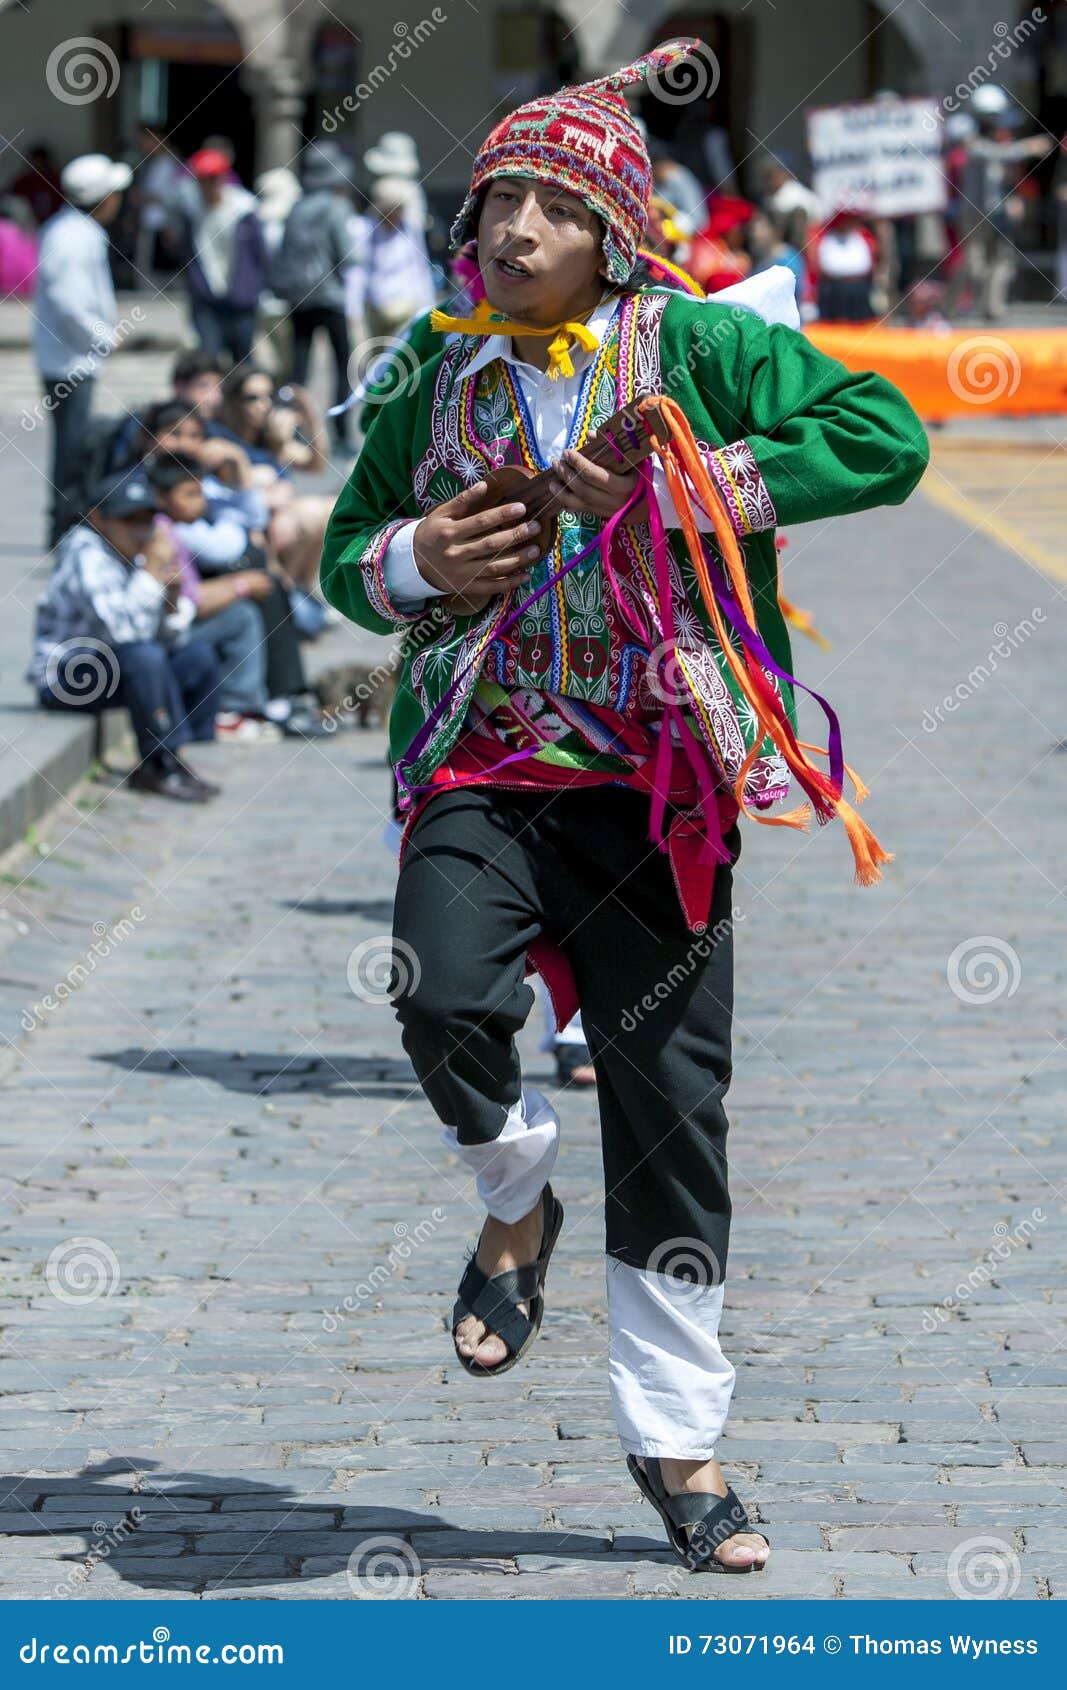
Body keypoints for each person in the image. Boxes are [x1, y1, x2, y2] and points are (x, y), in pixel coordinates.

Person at [321, 40, 929, 1574]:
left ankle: (678, 1440)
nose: (510, 227)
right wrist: (414, 566)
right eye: (494, 200)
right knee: (440, 995)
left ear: (613, 232)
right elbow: (345, 552)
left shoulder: (700, 347)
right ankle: (511, 1192)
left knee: (667, 1110)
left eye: (547, 204)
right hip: (481, 759)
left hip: (659, 786)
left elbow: (883, 438)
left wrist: (682, 489)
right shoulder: (426, 366)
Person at [29, 470, 221, 803]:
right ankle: (156, 764)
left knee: (197, 656)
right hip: (67, 678)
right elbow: (122, 633)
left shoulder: (135, 554)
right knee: (143, 658)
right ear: (98, 518)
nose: (140, 529)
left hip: (117, 667)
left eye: (147, 520)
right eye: (129, 519)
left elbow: (165, 641)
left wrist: (171, 603)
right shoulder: (84, 553)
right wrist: (149, 577)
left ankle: (176, 756)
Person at [34, 153, 132, 550]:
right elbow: (68, 299)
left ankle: (66, 522)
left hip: (68, 356)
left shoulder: (75, 230)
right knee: (73, 447)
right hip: (69, 359)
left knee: (71, 444)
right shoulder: (74, 235)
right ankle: (65, 526)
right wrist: (101, 335)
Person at [272, 143, 358, 449]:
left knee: (299, 366)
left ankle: (293, 427)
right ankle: (341, 431)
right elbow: (349, 255)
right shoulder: (336, 206)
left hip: (298, 299)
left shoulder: (297, 207)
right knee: (341, 364)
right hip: (331, 298)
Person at [183, 148, 267, 362]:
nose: (207, 186)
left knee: (242, 363)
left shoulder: (244, 210)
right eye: (202, 180)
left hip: (241, 299)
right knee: (209, 362)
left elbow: (260, 255)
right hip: (207, 301)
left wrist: (253, 289)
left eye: (212, 179)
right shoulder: (192, 212)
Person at [346, 177, 437, 342]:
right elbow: (356, 273)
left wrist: (428, 305)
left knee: (398, 357)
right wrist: (353, 310)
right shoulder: (362, 230)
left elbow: (420, 266)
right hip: (374, 308)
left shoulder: (410, 229)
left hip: (405, 305)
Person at [814, 208, 877, 321]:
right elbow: (825, 265)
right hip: (836, 291)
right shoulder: (828, 238)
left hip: (859, 290)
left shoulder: (860, 237)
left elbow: (867, 263)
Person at [6, 144, 63, 226]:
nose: (38, 166)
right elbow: (9, 200)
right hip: (29, 226)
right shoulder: (23, 182)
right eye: (35, 163)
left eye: (41, 163)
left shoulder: (56, 180)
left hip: (55, 224)